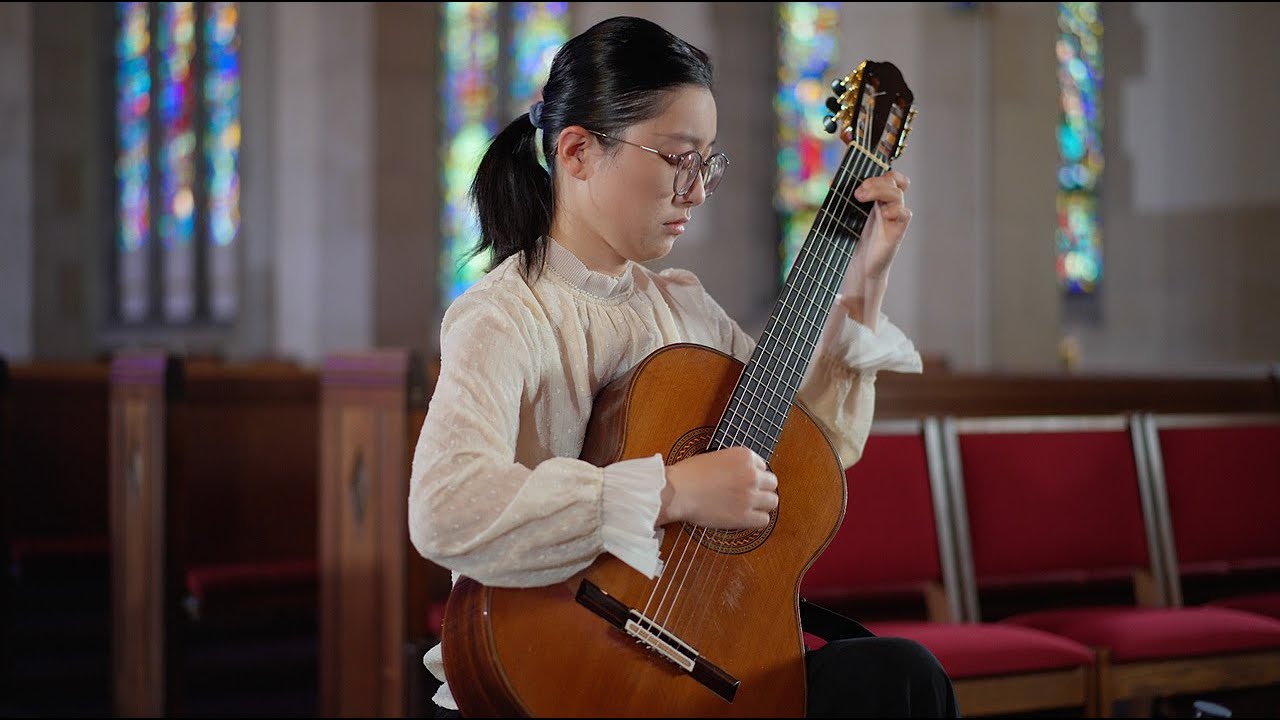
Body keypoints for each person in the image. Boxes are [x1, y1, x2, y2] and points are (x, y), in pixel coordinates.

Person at [409, 15, 959, 719]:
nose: (698, 192)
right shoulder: (504, 315)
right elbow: (445, 510)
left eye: (709, 164)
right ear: (576, 152)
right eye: (679, 159)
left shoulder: (685, 308)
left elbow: (815, 450)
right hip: (560, 671)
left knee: (900, 677)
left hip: (704, 660)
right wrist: (669, 492)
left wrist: (864, 281)